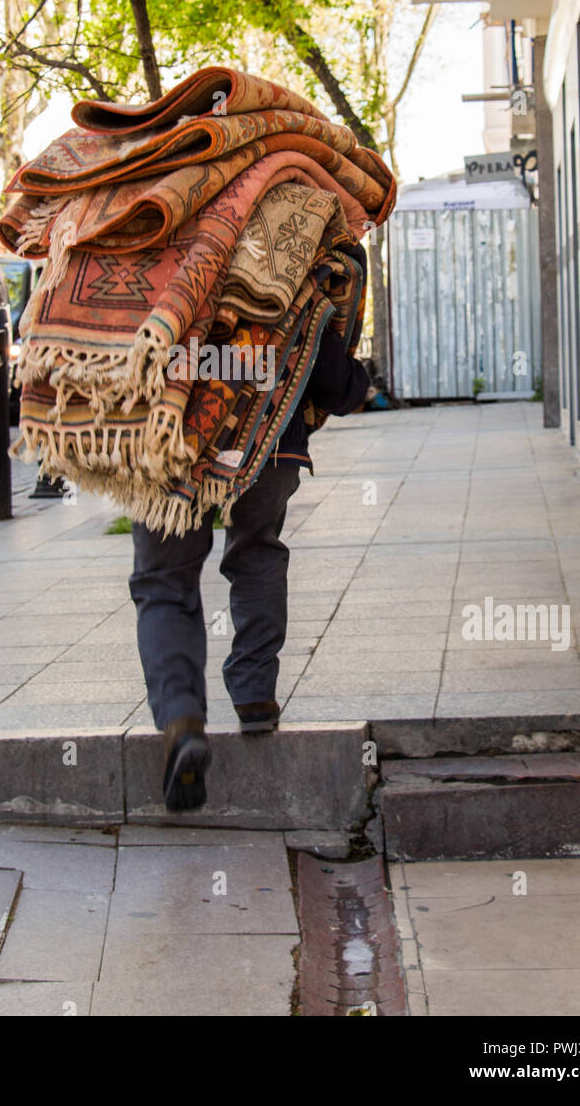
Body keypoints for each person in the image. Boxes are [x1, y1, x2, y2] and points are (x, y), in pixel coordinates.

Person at [128, 246, 371, 813]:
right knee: (257, 554)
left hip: (170, 448)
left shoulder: (160, 264)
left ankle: (183, 721)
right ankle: (255, 697)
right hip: (269, 454)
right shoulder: (293, 258)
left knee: (164, 581)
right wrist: (354, 380)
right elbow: (337, 385)